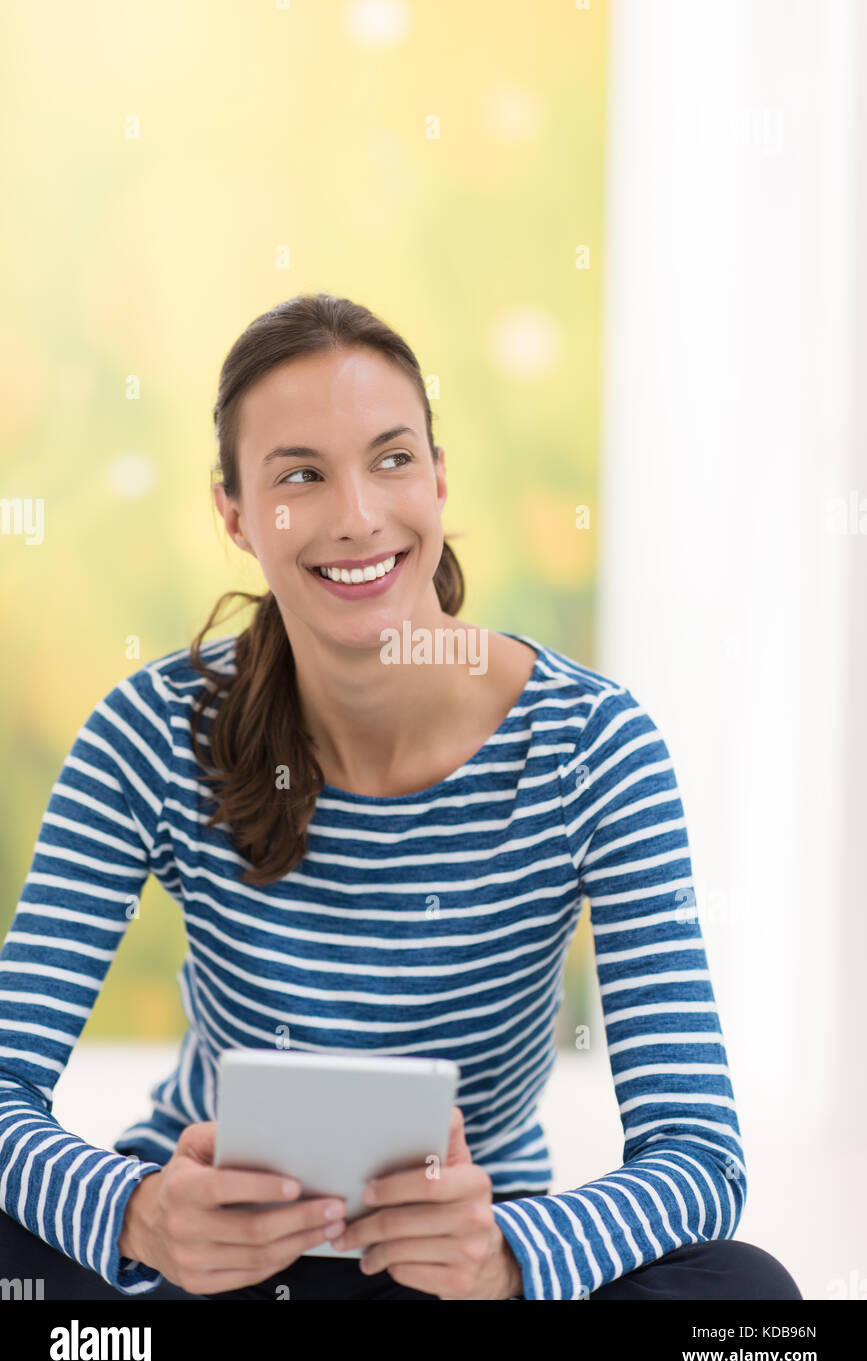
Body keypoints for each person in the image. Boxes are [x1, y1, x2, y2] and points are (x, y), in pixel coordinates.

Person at [0, 292, 801, 1302]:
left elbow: (697, 1156)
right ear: (236, 515)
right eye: (301, 476)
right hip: (207, 1273)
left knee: (744, 1298)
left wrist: (509, 1253)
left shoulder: (594, 746)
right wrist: (136, 1211)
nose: (358, 517)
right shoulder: (151, 734)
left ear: (437, 477)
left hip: (460, 1273)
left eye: (391, 460)